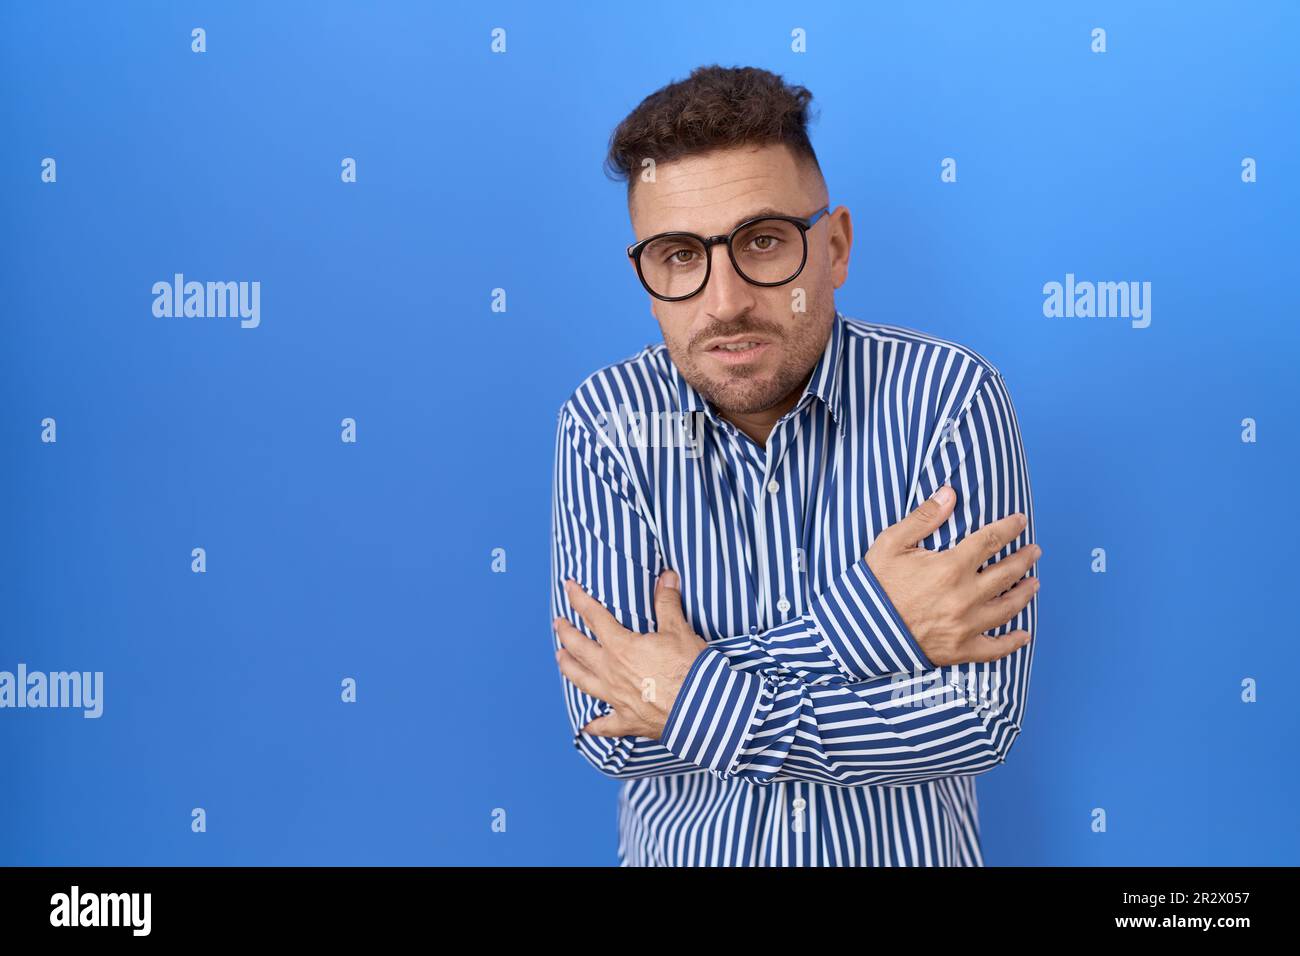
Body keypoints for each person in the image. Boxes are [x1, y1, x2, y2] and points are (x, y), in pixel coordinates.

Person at [550, 65, 1040, 866]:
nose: (726, 300)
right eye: (679, 256)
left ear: (835, 247)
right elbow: (612, 732)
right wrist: (873, 621)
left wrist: (687, 689)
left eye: (763, 241)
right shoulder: (606, 423)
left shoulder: (950, 400)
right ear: (647, 278)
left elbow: (979, 719)